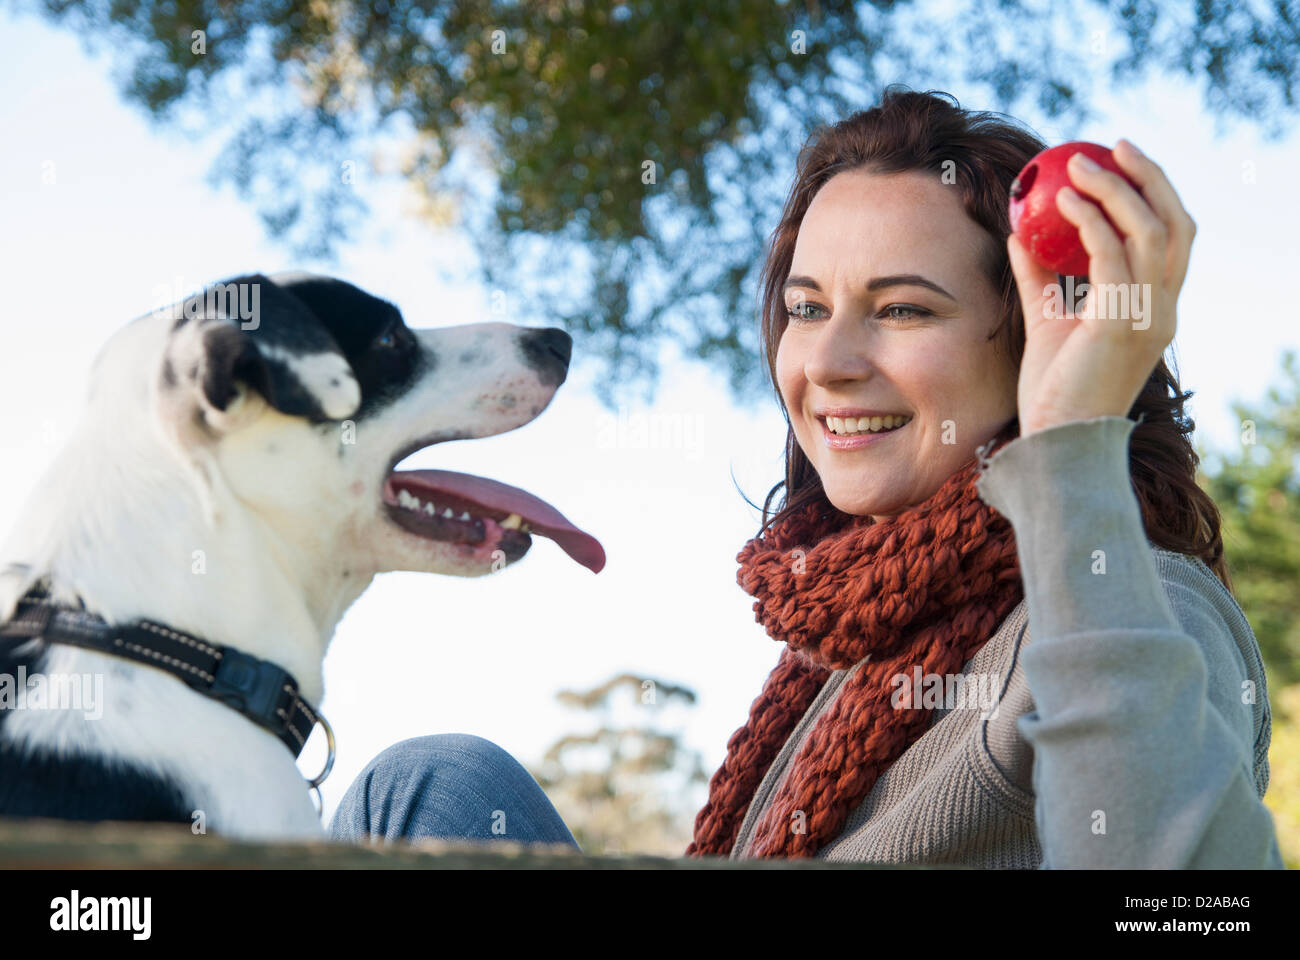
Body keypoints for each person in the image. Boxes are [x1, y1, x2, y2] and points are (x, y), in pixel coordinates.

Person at [331, 86, 1283, 868]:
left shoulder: (1132, 595)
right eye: (806, 306)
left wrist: (1074, 441)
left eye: (904, 310)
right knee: (428, 785)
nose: (827, 361)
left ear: (1036, 338)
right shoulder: (855, 645)